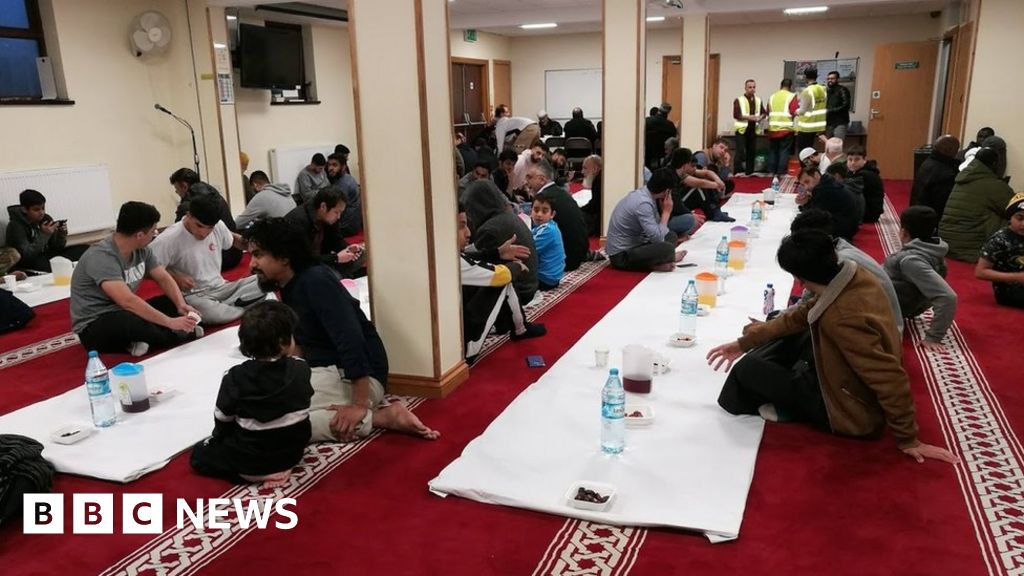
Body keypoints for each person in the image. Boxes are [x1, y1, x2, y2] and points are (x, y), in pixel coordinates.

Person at [708, 229, 958, 464]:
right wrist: (743, 343)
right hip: (843, 377)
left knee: (748, 369)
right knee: (783, 334)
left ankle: (791, 410)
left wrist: (908, 438)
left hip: (851, 412)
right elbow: (799, 317)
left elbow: (887, 375)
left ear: (799, 277)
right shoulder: (851, 276)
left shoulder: (843, 318)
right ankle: (788, 393)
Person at [246, 218, 439, 443]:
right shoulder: (289, 284)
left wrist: (359, 403)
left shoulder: (316, 281)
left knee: (273, 425)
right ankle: (378, 417)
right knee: (255, 402)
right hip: (325, 370)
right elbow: (306, 342)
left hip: (357, 378)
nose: (251, 264)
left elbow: (351, 338)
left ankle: (379, 417)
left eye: (258, 255)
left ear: (284, 256)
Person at [189, 300, 313, 489]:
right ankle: (278, 466)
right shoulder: (301, 368)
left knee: (200, 454)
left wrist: (219, 439)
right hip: (293, 452)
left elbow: (222, 419)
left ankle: (254, 475)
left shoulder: (235, 377)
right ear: (284, 342)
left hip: (252, 460)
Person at [70, 201, 200, 357]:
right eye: (153, 231)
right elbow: (127, 301)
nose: (154, 235)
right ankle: (173, 334)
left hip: (123, 311)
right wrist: (169, 322)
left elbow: (163, 277)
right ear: (139, 235)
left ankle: (143, 339)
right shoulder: (102, 257)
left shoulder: (142, 250)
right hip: (95, 324)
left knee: (168, 302)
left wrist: (181, 305)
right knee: (130, 322)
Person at [150, 195, 264, 325]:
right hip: (195, 296)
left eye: (210, 228)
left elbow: (234, 240)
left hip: (223, 287)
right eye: (199, 226)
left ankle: (232, 306)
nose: (204, 233)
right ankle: (244, 306)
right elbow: (147, 269)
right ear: (189, 215)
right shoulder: (168, 238)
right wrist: (175, 277)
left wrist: (260, 248)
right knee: (211, 313)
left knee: (264, 280)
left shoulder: (218, 226)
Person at [457, 205, 543, 364]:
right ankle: (520, 329)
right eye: (462, 226)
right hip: (462, 351)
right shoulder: (454, 262)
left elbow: (473, 261)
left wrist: (497, 253)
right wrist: (517, 267)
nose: (468, 233)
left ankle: (512, 325)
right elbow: (500, 275)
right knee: (504, 280)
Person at [791, 209, 901, 333]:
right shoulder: (839, 246)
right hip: (883, 322)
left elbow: (810, 308)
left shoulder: (840, 262)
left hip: (881, 334)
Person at [883, 206, 957, 351]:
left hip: (888, 307)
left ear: (903, 233)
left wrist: (934, 337)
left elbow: (948, 297)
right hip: (903, 302)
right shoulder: (933, 250)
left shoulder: (911, 260)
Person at [463, 179, 539, 306]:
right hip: (530, 286)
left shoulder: (489, 229)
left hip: (519, 291)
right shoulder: (507, 216)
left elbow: (475, 264)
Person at [940, 147, 1015, 262]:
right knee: (1017, 220)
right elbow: (1014, 207)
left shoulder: (964, 177)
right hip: (970, 247)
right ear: (995, 164)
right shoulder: (992, 184)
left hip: (948, 241)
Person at [605, 168, 687, 272]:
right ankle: (663, 261)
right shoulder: (643, 204)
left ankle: (662, 260)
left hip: (637, 243)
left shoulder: (646, 194)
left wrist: (662, 210)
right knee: (667, 248)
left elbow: (657, 230)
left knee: (671, 235)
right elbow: (657, 239)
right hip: (622, 256)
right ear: (667, 191)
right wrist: (666, 212)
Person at [528, 160, 596, 271]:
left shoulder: (542, 199)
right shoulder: (561, 193)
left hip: (565, 260)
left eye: (529, 177)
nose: (526, 181)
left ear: (541, 179)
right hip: (578, 254)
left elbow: (537, 234)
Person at [284, 187, 365, 278]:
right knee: (334, 276)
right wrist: (336, 258)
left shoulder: (328, 217)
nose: (338, 216)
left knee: (362, 256)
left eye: (340, 213)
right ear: (323, 206)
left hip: (321, 258)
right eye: (336, 212)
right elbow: (304, 260)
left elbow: (336, 239)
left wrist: (348, 248)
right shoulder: (298, 221)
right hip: (299, 266)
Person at [169, 169, 241, 271]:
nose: (177, 192)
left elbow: (180, 234)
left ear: (184, 186)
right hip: (235, 254)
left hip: (217, 259)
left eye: (177, 189)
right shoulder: (216, 196)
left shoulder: (188, 207)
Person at [5, 189, 80, 272]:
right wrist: (44, 235)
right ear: (24, 209)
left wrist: (61, 234)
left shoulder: (45, 219)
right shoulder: (15, 226)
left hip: (48, 255)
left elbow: (57, 248)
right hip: (29, 261)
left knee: (83, 250)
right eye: (36, 210)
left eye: (43, 208)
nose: (41, 212)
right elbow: (26, 256)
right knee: (48, 265)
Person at [975, 192, 1024, 307]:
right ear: (1010, 217)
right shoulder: (1000, 239)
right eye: (1020, 218)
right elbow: (980, 272)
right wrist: (1017, 277)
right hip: (1009, 291)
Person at [795, 166, 859, 241]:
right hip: (848, 225)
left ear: (816, 175)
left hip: (843, 231)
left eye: (807, 182)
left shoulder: (824, 190)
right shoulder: (827, 182)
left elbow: (814, 217)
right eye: (803, 185)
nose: (806, 187)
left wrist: (805, 204)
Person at [670, 147, 730, 223]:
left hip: (680, 198)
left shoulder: (685, 169)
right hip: (676, 204)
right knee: (700, 187)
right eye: (692, 166)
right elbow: (699, 183)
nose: (695, 168)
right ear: (685, 164)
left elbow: (707, 173)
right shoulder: (678, 172)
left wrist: (718, 181)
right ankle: (712, 212)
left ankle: (715, 209)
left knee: (707, 182)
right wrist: (717, 185)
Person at [910, 135, 961, 220]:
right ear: (949, 150)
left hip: (918, 211)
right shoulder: (945, 173)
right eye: (957, 150)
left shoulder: (929, 162)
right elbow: (944, 203)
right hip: (930, 217)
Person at [530, 196, 565, 291]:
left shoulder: (548, 230)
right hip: (552, 276)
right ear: (531, 210)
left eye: (544, 211)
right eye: (536, 210)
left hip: (545, 278)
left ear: (552, 214)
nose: (539, 214)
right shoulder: (550, 225)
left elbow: (529, 250)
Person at [732, 79, 766, 176]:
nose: (752, 89)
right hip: (742, 130)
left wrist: (760, 117)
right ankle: (737, 172)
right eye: (750, 87)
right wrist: (749, 117)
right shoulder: (739, 100)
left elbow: (764, 112)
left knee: (752, 151)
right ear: (745, 88)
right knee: (740, 151)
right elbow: (736, 115)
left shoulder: (758, 100)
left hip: (753, 129)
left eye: (754, 87)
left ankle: (749, 172)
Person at [766, 78, 799, 178]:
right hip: (786, 128)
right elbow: (794, 111)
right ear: (790, 86)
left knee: (773, 151)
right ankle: (781, 173)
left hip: (773, 129)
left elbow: (768, 111)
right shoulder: (792, 96)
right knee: (784, 151)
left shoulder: (772, 97)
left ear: (780, 86)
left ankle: (771, 172)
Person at [325, 153, 362, 237]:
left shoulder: (343, 184)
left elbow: (334, 207)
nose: (330, 168)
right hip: (352, 222)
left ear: (343, 167)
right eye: (329, 165)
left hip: (347, 226)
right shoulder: (345, 177)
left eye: (335, 165)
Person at [845, 145, 884, 223]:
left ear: (864, 160)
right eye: (850, 159)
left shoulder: (865, 175)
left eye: (857, 159)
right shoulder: (856, 171)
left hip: (868, 214)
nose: (852, 163)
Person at [795, 68, 827, 152]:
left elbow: (802, 110)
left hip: (806, 126)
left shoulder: (807, 91)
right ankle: (808, 165)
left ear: (805, 77)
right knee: (810, 150)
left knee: (803, 152)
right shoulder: (823, 89)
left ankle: (804, 165)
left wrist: (796, 111)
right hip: (818, 125)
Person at [644, 103, 678, 169]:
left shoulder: (647, 121)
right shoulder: (670, 126)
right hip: (663, 158)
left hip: (646, 156)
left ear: (658, 110)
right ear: (668, 113)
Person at [580, 154, 603, 236]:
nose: (582, 172)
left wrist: (579, 209)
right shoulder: (600, 178)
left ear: (595, 168)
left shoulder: (598, 180)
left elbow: (594, 206)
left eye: (585, 168)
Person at [824, 71, 852, 139]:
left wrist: (830, 110)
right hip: (829, 122)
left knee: (837, 144)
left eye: (832, 78)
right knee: (828, 144)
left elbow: (846, 106)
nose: (830, 80)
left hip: (840, 122)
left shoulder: (843, 90)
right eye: (828, 79)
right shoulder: (826, 91)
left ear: (837, 79)